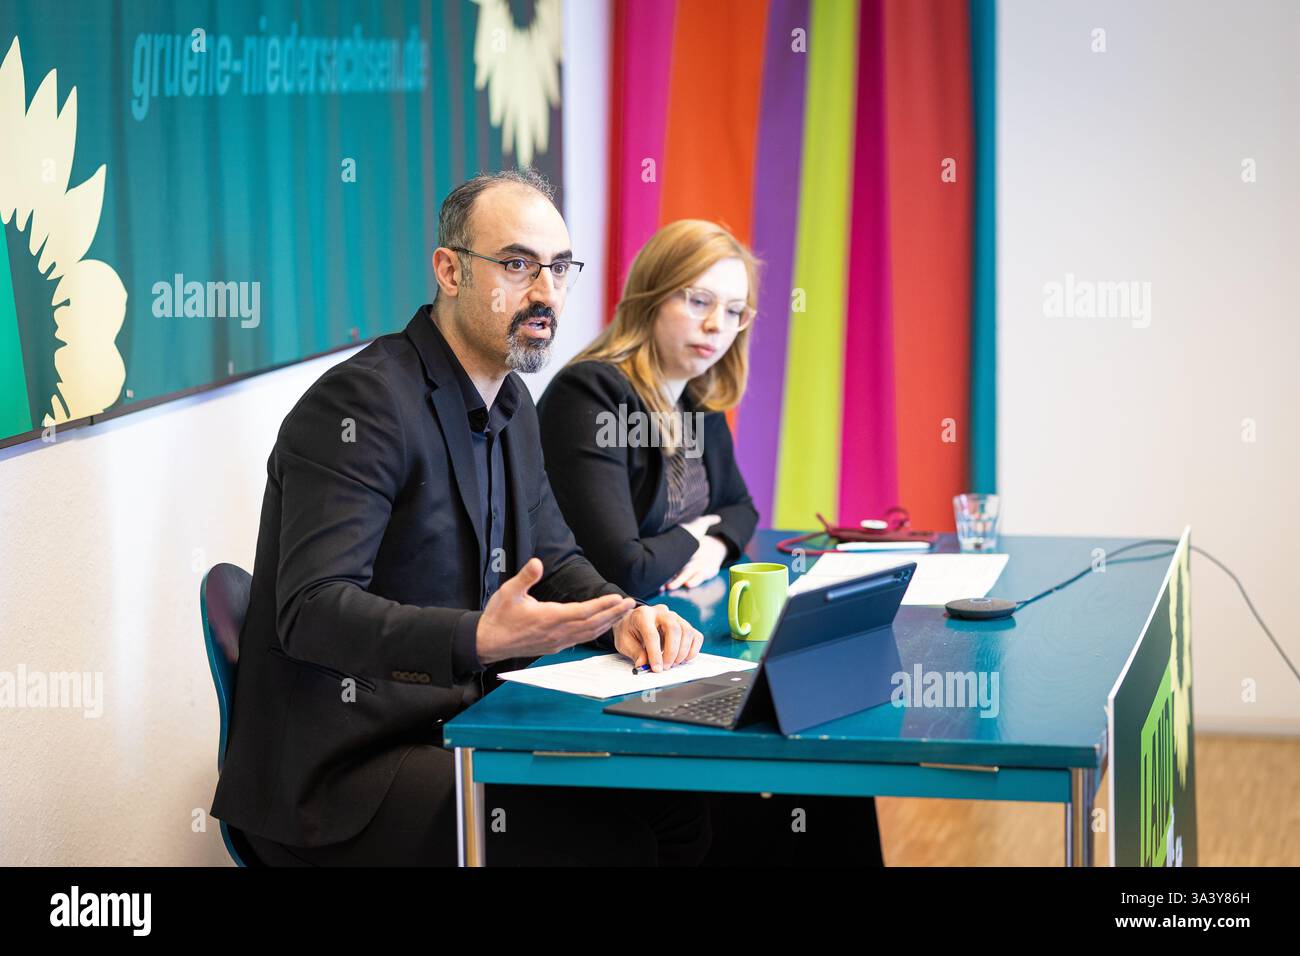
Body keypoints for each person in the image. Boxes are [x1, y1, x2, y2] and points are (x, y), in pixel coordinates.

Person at [211, 170, 709, 866]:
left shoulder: (511, 403)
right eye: (517, 264)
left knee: (685, 803)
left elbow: (555, 558)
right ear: (449, 270)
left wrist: (619, 615)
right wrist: (474, 637)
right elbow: (312, 610)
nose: (545, 293)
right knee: (609, 841)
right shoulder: (362, 406)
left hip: (460, 727)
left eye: (559, 269)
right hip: (349, 779)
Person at [538, 219, 885, 866]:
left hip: (679, 648)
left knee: (833, 767)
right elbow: (623, 567)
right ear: (649, 296)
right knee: (793, 774)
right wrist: (696, 537)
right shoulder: (589, 395)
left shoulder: (695, 403)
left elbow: (743, 509)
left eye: (733, 311)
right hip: (598, 664)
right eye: (697, 301)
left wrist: (707, 540)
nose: (715, 327)